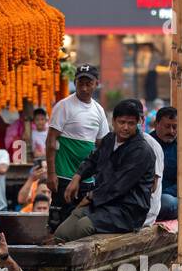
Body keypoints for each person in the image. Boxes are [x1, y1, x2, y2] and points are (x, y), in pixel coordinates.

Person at [54, 99, 157, 242]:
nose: (125, 127)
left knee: (82, 226)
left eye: (131, 123)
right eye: (122, 122)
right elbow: (93, 160)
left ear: (138, 123)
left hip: (127, 211)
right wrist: (77, 177)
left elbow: (118, 185)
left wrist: (90, 197)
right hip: (103, 204)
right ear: (113, 121)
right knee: (62, 231)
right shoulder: (109, 139)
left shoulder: (141, 151)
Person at [46, 64, 110, 228]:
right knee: (58, 221)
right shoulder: (63, 105)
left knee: (81, 221)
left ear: (96, 83)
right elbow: (51, 140)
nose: (84, 87)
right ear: (75, 82)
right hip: (63, 175)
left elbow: (102, 145)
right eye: (80, 83)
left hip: (87, 178)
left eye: (88, 83)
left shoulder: (99, 110)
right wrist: (51, 173)